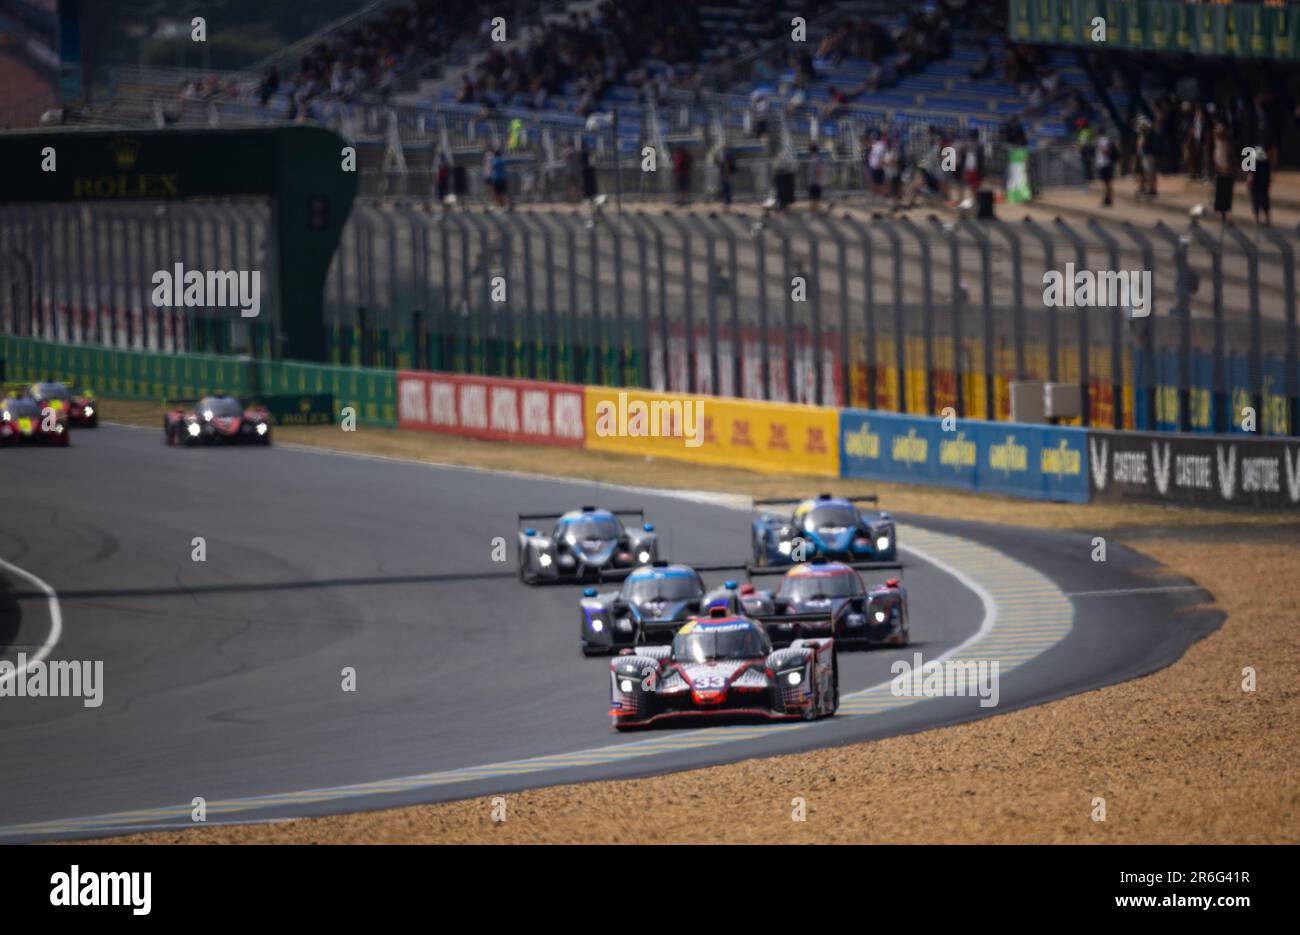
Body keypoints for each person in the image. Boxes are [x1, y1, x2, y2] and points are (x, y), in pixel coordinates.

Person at [1212, 121, 1234, 221]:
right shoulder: (1216, 143)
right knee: (1220, 194)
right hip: (1220, 171)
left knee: (1226, 193)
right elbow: (1215, 157)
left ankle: (1224, 213)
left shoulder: (1227, 144)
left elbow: (1229, 157)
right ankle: (1221, 214)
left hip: (1226, 171)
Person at [1247, 145, 1271, 226]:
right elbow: (1269, 176)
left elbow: (1251, 177)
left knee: (1256, 202)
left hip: (1256, 187)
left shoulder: (1254, 163)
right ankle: (1267, 219)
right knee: (1265, 203)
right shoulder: (1266, 163)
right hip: (1264, 186)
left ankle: (1256, 220)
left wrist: (1249, 185)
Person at [1094, 127, 1114, 207]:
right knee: (1106, 183)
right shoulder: (1102, 140)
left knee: (1105, 183)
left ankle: (1106, 199)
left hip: (1104, 164)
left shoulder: (1103, 140)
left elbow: (1106, 152)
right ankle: (1108, 199)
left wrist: (1099, 145)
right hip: (1103, 163)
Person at [807, 142, 826, 211]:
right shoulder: (818, 159)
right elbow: (819, 170)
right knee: (816, 197)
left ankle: (814, 211)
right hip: (816, 181)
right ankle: (815, 211)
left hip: (812, 181)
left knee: (813, 197)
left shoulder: (812, 159)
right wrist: (819, 181)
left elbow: (818, 170)